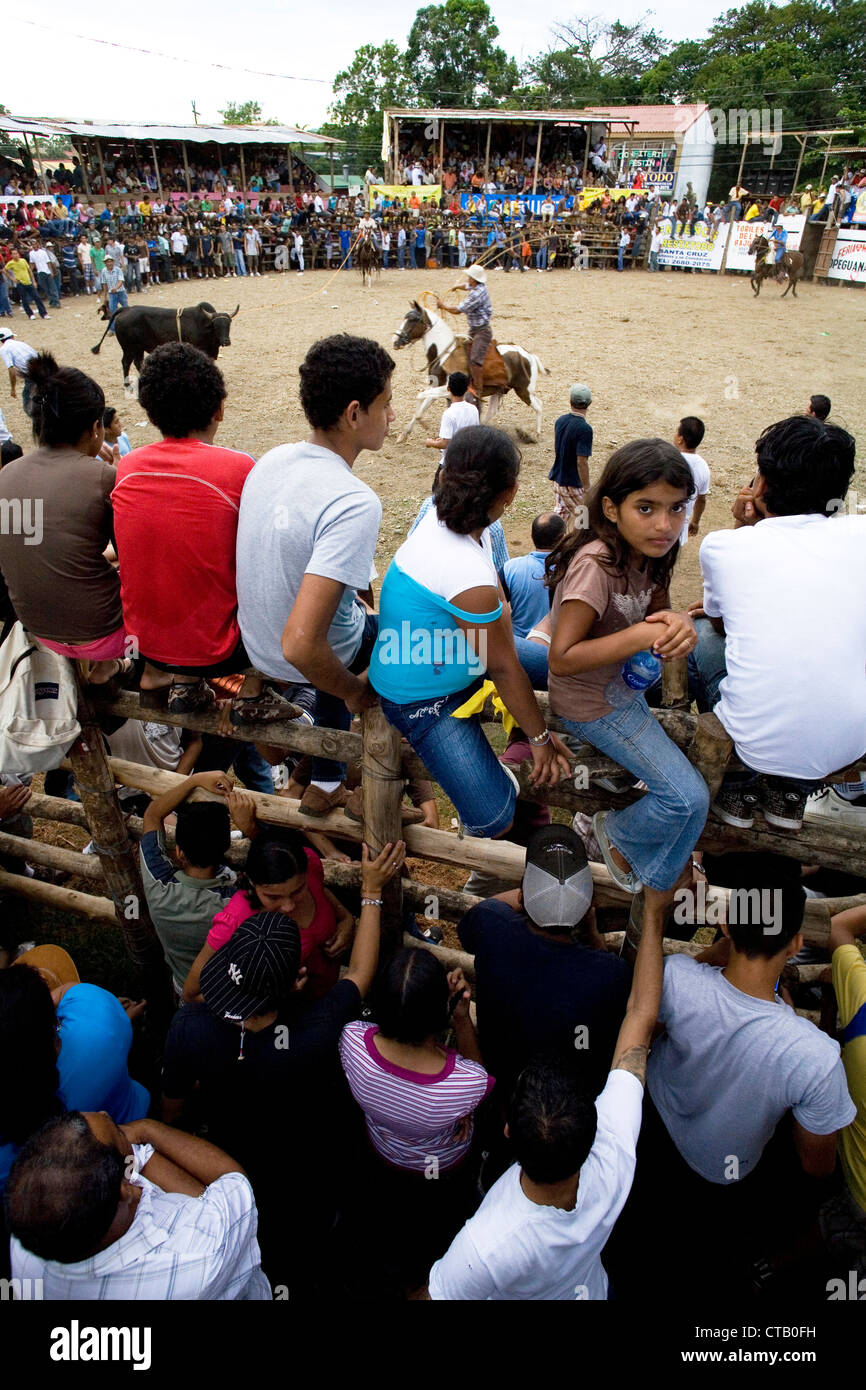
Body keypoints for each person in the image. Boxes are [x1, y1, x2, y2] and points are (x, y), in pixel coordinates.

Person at [161, 842, 405, 1284]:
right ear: (296, 981)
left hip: (234, 1157)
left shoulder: (190, 1026)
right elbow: (361, 974)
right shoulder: (318, 1030)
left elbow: (173, 1108)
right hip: (310, 1161)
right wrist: (370, 891)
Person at [427, 865, 667, 1301]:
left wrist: (530, 895)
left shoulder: (484, 1246)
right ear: (595, 1123)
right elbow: (641, 1016)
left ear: (506, 1130)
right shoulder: (616, 1160)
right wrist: (653, 913)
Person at [619, 857, 857, 1297]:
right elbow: (816, 1164)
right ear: (796, 944)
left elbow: (646, 1023)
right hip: (721, 1186)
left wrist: (714, 955)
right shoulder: (815, 1057)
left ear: (726, 926)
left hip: (649, 1139)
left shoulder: (676, 980)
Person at [370, 426, 571, 839]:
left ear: (443, 477)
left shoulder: (438, 518)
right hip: (422, 698)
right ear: (509, 494)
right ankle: (516, 753)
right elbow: (504, 667)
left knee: (565, 667)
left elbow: (498, 656)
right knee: (493, 817)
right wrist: (539, 738)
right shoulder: (465, 568)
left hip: (448, 652)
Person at [547, 440, 707, 920]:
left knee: (691, 799)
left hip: (620, 692)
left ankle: (652, 888)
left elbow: (655, 614)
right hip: (588, 703)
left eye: (677, 508)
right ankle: (615, 837)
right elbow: (562, 657)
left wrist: (676, 622)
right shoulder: (596, 567)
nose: (665, 523)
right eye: (647, 508)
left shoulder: (651, 552)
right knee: (688, 798)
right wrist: (641, 633)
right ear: (611, 509)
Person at [236, 335, 394, 817]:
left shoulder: (271, 460)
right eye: (386, 404)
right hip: (293, 655)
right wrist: (353, 692)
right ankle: (381, 784)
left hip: (254, 647)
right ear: (353, 414)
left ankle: (324, 780)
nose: (391, 416)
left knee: (348, 618)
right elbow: (303, 646)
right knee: (412, 640)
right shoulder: (353, 499)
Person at [689, 416, 865, 831]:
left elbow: (720, 623)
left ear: (762, 484)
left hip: (755, 745)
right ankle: (788, 796)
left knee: (698, 636)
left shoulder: (725, 546)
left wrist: (745, 525)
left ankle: (740, 784)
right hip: (849, 744)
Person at [113, 343, 297, 722]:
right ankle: (253, 691)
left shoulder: (128, 466)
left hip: (143, 645)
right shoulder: (239, 468)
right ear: (220, 409)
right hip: (220, 653)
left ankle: (183, 683)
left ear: (150, 409)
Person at [338, 949, 493, 1291]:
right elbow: (478, 1077)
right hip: (444, 1169)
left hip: (381, 1153)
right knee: (434, 1231)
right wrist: (462, 1018)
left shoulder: (352, 1040)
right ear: (441, 1012)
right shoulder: (463, 1084)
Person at [6, 1110, 271, 1300]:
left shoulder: (30, 1231)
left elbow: (135, 1158)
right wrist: (147, 1129)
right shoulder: (199, 1254)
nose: (102, 1111)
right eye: (118, 1132)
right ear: (126, 1190)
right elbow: (233, 1182)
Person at [457, 823, 631, 1104]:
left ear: (523, 895)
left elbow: (473, 922)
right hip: (565, 1110)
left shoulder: (492, 926)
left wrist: (532, 896)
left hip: (500, 1091)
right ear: (588, 906)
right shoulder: (610, 974)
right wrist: (591, 933)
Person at [0, 353, 127, 684]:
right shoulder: (103, 478)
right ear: (96, 427)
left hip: (37, 629)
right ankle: (119, 666)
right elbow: (135, 563)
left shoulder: (6, 475)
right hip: (104, 636)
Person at [0, 955, 149, 1193]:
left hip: (68, 1195)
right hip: (132, 1129)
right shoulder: (100, 1023)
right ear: (52, 1033)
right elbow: (69, 991)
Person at [183, 822, 355, 1004]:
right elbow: (192, 994)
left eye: (298, 891)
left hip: (330, 995)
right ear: (251, 882)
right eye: (273, 897)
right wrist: (268, 995)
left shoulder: (311, 864)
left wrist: (346, 922)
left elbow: (321, 892)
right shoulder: (236, 921)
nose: (289, 906)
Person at [138, 770, 238, 995]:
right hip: (228, 991)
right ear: (226, 848)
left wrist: (194, 781)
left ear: (179, 852)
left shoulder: (158, 885)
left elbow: (152, 815)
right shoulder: (235, 904)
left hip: (183, 986)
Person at [435, 264, 492, 405]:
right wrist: (457, 286)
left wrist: (443, 306)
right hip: (474, 329)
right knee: (462, 355)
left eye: (469, 277)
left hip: (482, 331)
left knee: (475, 360)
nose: (468, 279)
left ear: (474, 279)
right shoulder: (475, 286)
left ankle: (478, 391)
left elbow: (458, 310)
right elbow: (466, 285)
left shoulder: (477, 294)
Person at [502, 513, 565, 639]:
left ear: (532, 537)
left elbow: (496, 607)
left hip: (521, 646)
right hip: (557, 646)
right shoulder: (575, 569)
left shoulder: (510, 568)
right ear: (563, 538)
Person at [549, 383, 593, 525]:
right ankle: (583, 545)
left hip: (558, 480)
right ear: (589, 404)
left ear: (570, 401)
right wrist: (586, 488)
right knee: (586, 519)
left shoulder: (560, 421)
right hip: (573, 484)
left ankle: (550, 543)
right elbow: (581, 461)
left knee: (560, 515)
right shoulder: (585, 429)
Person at [424, 370, 479, 463]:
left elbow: (445, 443)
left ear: (448, 388)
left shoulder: (449, 414)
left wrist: (431, 443)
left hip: (452, 463)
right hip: (469, 460)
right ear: (467, 389)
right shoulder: (474, 409)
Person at [674, 416, 710, 544]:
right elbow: (701, 500)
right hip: (681, 527)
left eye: (676, 431)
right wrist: (695, 521)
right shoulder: (703, 466)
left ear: (680, 439)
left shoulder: (669, 460)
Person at [0, 329, 38, 415]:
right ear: (12, 336)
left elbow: (11, 370)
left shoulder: (4, 349)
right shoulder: (22, 344)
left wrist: (13, 389)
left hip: (32, 375)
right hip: (43, 368)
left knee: (27, 402)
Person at [4, 251, 49, 321]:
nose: (15, 255)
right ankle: (30, 314)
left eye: (16, 253)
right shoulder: (11, 263)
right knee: (24, 300)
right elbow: (4, 270)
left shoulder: (23, 261)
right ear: (11, 255)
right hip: (20, 283)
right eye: (13, 254)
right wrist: (12, 279)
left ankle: (44, 313)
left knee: (37, 298)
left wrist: (33, 281)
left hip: (28, 282)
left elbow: (29, 270)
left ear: (18, 254)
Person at [97, 253, 128, 334]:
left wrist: (116, 288)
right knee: (112, 311)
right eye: (108, 262)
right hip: (112, 293)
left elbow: (120, 281)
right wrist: (105, 295)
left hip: (120, 292)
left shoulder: (118, 270)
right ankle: (112, 329)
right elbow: (104, 283)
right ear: (105, 263)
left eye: (111, 261)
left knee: (126, 308)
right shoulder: (104, 271)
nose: (109, 263)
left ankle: (129, 324)